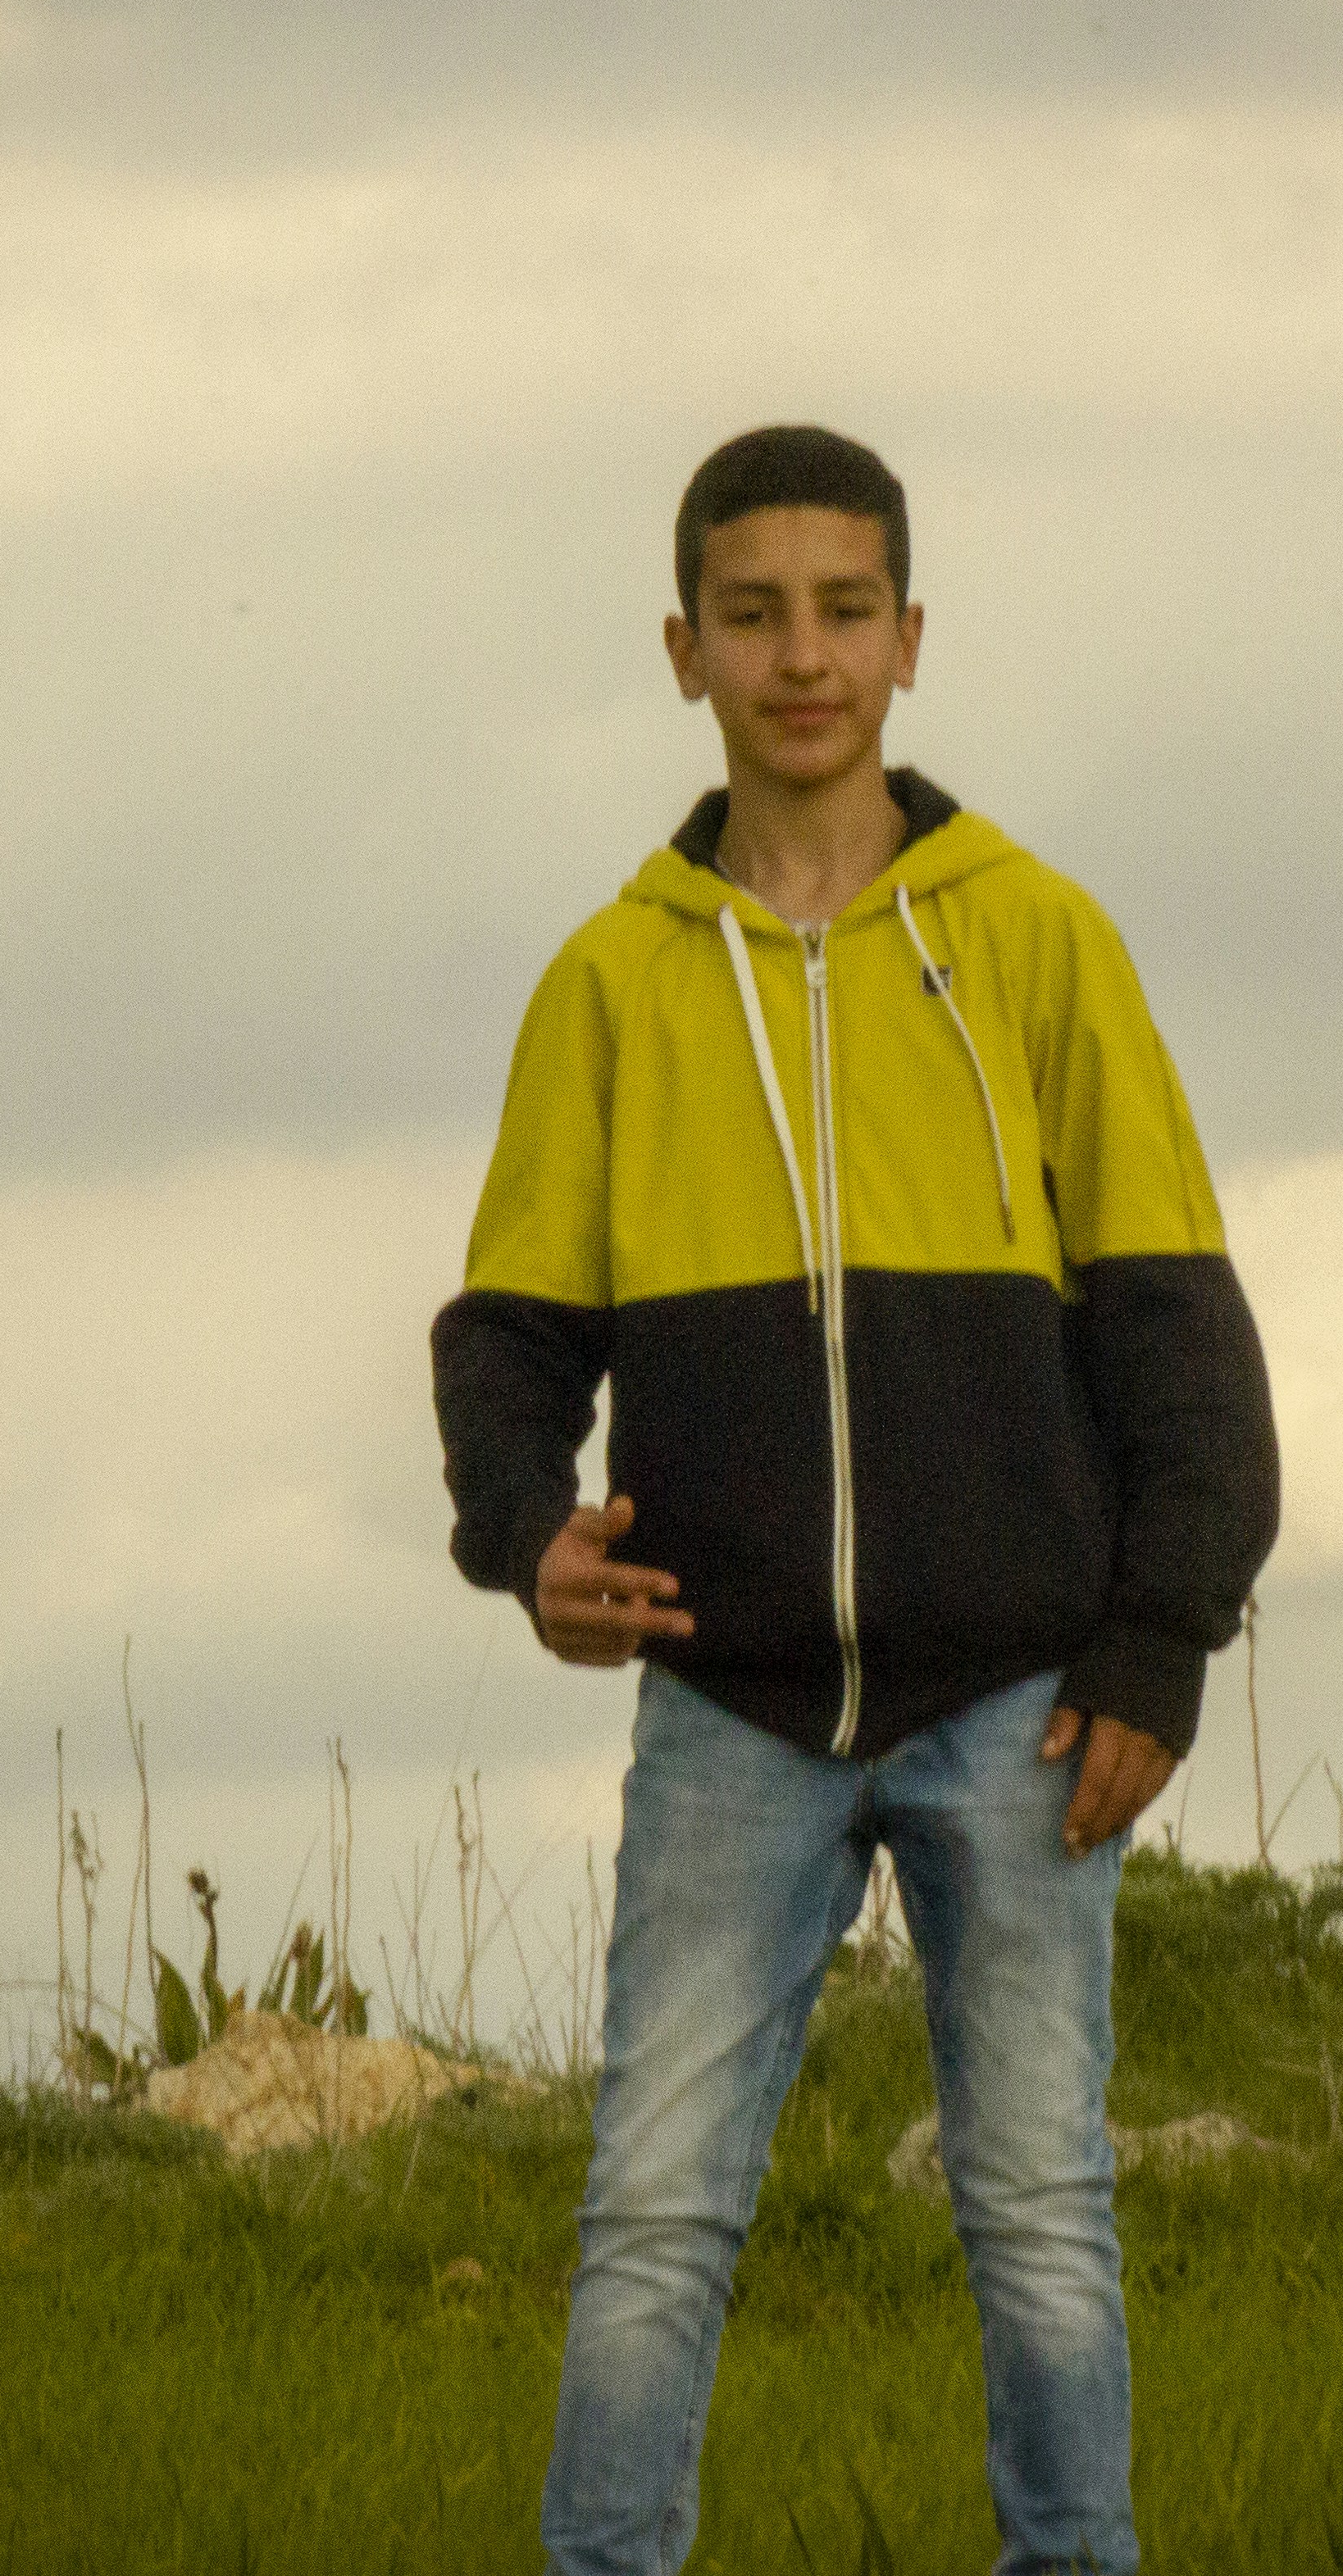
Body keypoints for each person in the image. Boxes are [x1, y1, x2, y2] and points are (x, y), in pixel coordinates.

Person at [430, 424, 1282, 2575]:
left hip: (1023, 1702)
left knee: (1040, 2215)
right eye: (752, 613)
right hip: (730, 1712)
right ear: (683, 650)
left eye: (841, 610)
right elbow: (511, 1337)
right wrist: (525, 1535)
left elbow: (1179, 1326)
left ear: (910, 640)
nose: (799, 655)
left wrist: (1158, 1646)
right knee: (651, 2212)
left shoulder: (1040, 943)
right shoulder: (612, 981)